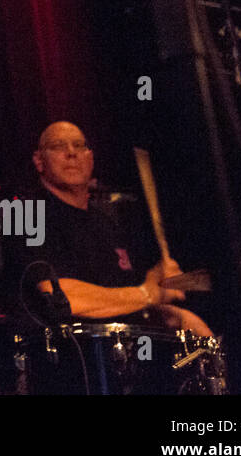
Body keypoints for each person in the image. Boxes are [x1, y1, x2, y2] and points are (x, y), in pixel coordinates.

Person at [12, 120, 212, 336]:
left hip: (123, 354)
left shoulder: (106, 222)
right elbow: (61, 298)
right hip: (69, 357)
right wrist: (147, 294)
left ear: (91, 158)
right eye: (59, 146)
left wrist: (173, 313)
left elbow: (124, 299)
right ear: (39, 161)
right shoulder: (29, 215)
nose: (71, 153)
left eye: (80, 145)